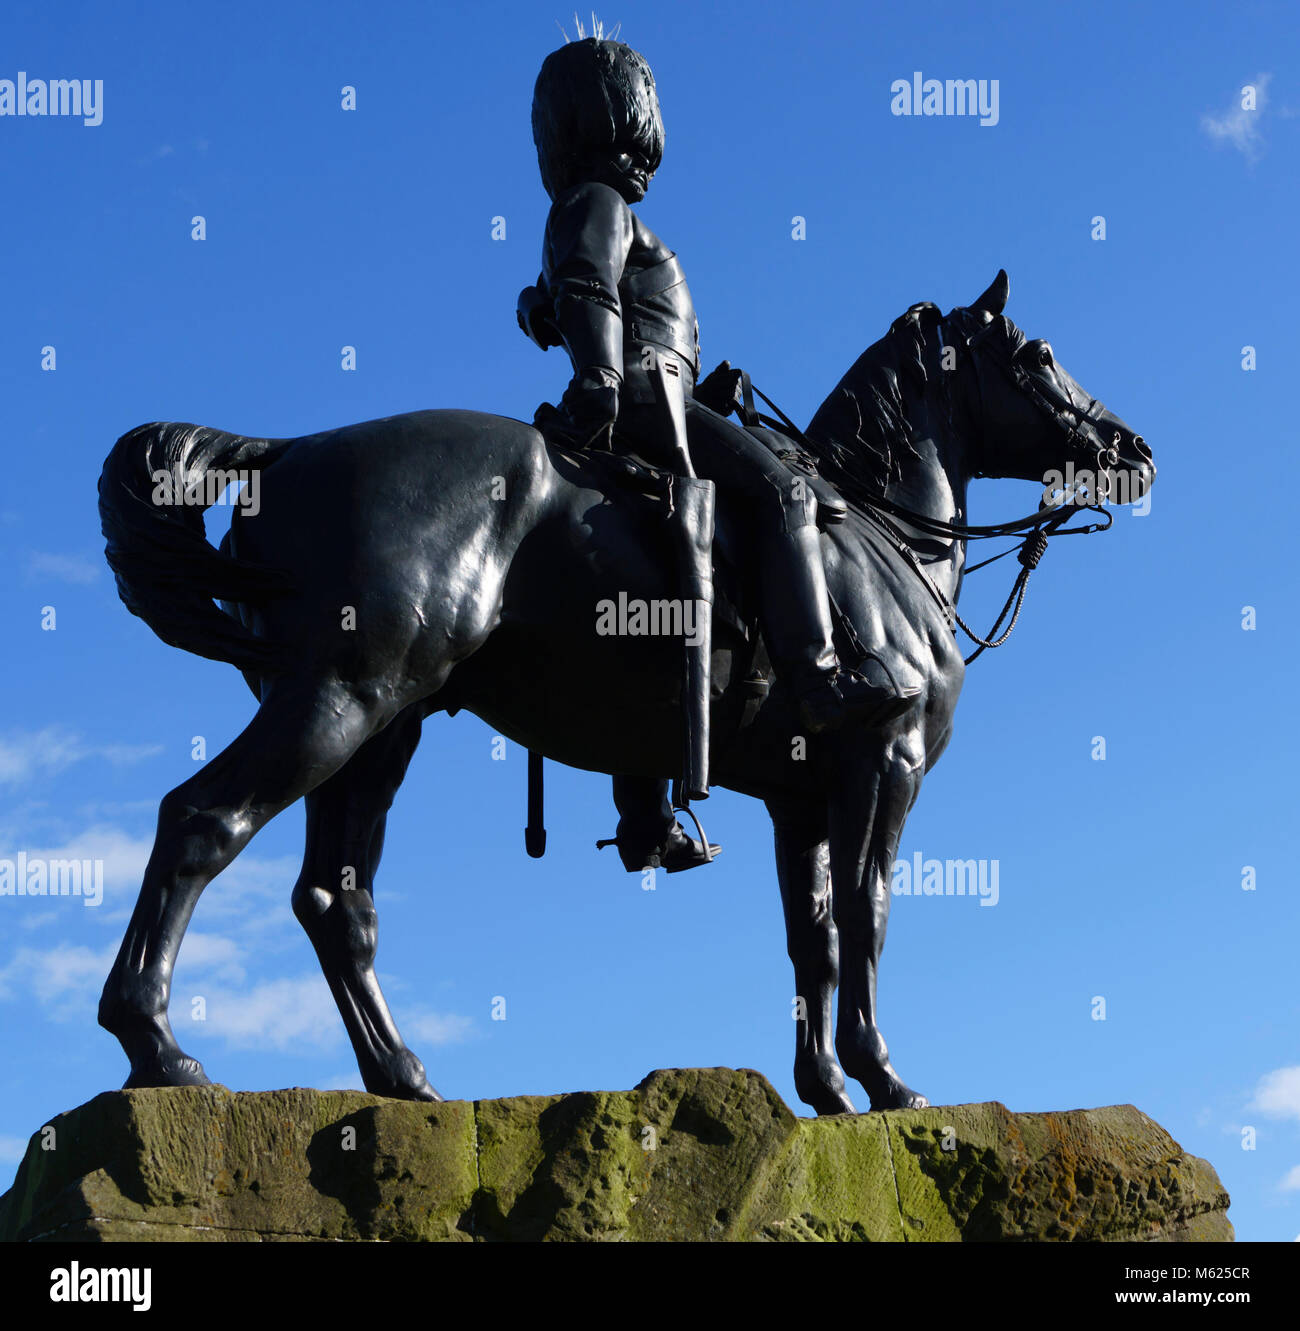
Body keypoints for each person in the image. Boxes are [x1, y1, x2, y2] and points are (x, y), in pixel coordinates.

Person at [518, 36, 918, 873]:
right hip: (647, 400)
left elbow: (587, 293)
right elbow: (591, 288)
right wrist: (596, 377)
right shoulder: (601, 203)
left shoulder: (589, 205)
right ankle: (818, 680)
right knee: (788, 495)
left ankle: (645, 818)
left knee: (658, 582)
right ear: (621, 118)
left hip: (669, 398)